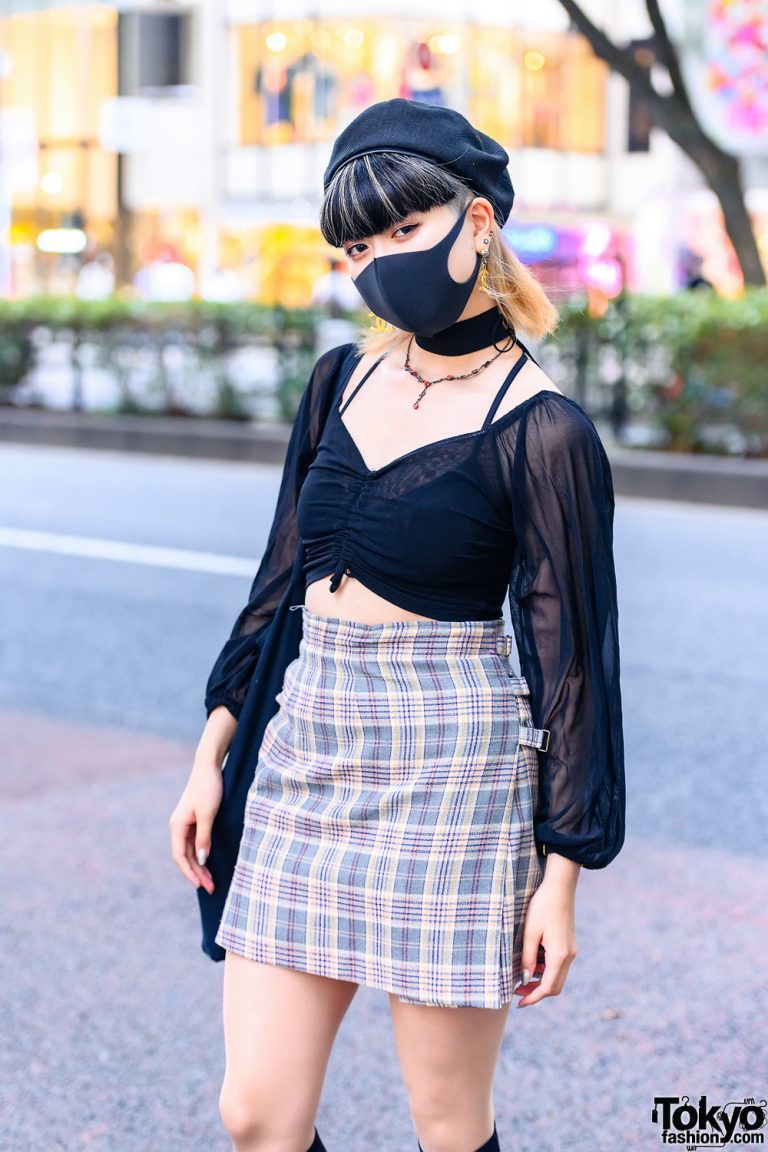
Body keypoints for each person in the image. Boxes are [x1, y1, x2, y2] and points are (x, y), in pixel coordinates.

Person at [169, 98, 626, 1152]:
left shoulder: (545, 431)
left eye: (404, 232)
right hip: (305, 753)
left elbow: (573, 667)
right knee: (256, 1117)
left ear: (477, 223)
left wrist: (561, 878)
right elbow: (276, 583)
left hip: (454, 766)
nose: (379, 264)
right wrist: (212, 754)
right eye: (358, 245)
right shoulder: (340, 379)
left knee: (447, 1124)